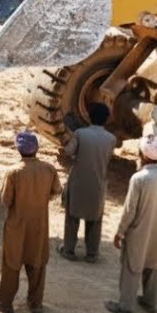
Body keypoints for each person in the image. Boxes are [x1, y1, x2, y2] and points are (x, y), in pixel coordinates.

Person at [106, 133, 157, 313]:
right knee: (153, 264)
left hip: (138, 230)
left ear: (144, 156)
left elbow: (129, 211)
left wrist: (119, 232)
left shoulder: (139, 178)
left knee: (132, 266)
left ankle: (125, 306)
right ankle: (149, 301)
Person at [0, 131, 62, 313]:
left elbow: (6, 200)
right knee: (37, 264)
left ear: (19, 150)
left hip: (16, 226)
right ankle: (35, 304)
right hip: (39, 226)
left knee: (10, 266)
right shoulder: (49, 169)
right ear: (36, 149)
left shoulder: (13, 172)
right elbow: (56, 192)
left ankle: (6, 304)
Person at [59, 103, 116, 263]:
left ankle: (69, 250)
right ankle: (91, 254)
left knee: (72, 217)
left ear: (89, 116)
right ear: (106, 119)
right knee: (95, 219)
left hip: (78, 181)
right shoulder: (111, 139)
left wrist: (66, 139)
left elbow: (69, 152)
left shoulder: (80, 133)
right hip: (98, 181)